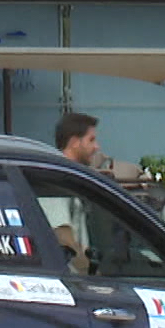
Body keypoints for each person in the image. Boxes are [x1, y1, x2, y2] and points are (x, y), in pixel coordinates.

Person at [44, 112, 100, 271]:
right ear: (75, 142)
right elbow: (63, 236)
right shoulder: (58, 180)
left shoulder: (70, 178)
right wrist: (87, 272)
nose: (97, 147)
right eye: (91, 140)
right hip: (71, 276)